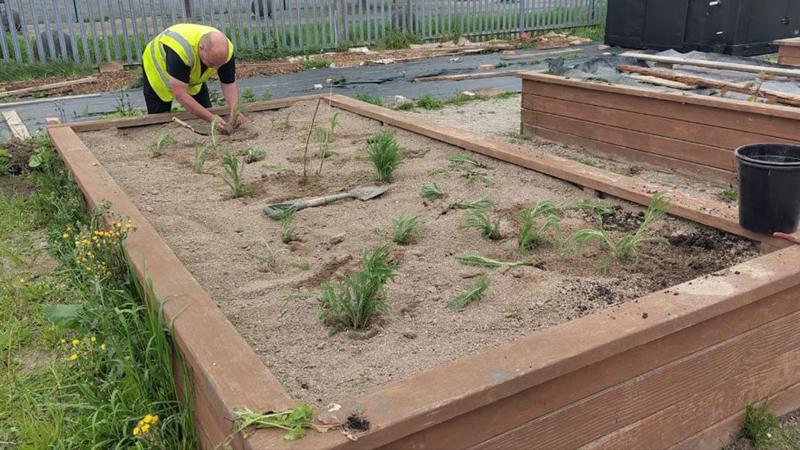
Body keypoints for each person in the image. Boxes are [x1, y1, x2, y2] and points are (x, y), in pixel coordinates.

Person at [141, 24, 245, 133]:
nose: (216, 68)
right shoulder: (180, 50)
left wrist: (235, 111)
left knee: (205, 109)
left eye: (220, 64)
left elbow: (228, 83)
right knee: (159, 121)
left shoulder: (224, 51)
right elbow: (180, 94)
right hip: (157, 71)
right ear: (201, 48)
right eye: (211, 63)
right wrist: (211, 118)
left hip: (191, 73)